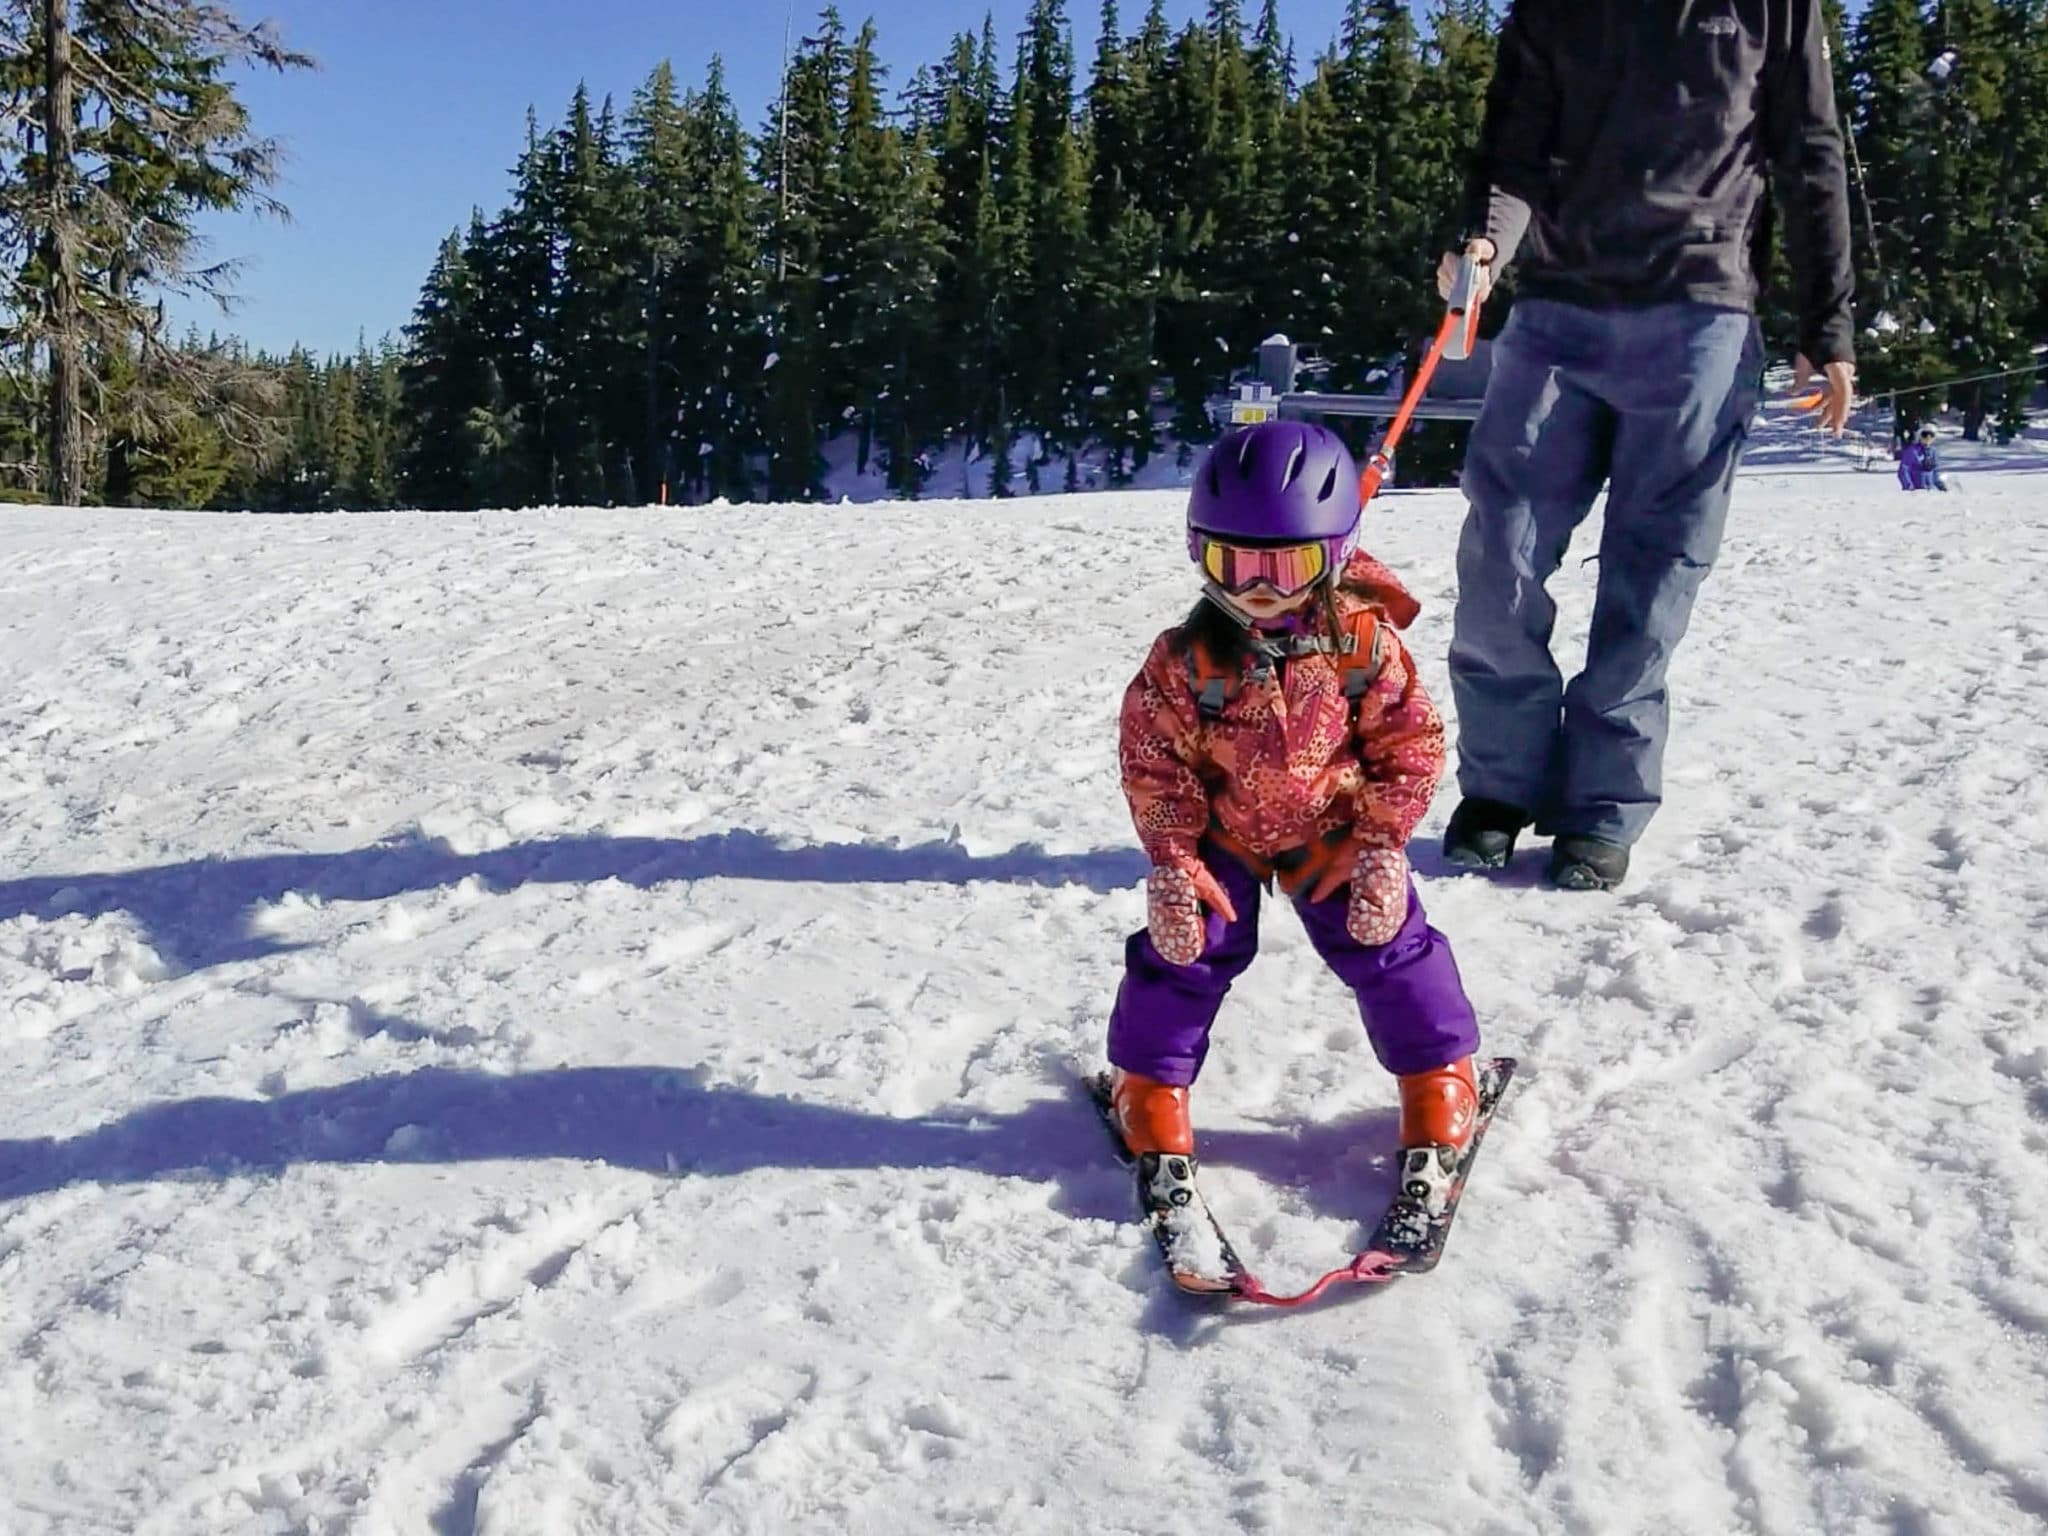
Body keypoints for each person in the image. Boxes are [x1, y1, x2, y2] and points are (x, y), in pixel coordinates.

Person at [1435, 0, 1857, 891]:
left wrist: (1829, 325)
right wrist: (1484, 243)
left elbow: (1809, 153)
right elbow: (1509, 154)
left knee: (1654, 572)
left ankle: (1603, 806)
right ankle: (1500, 788)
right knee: (1499, 552)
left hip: (1702, 312)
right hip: (1557, 306)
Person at [1106, 420, 1482, 1218]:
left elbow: (1410, 742)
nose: (1260, 589)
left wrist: (1382, 838)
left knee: (1390, 942)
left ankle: (1439, 1075)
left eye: (1289, 566)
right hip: (1226, 834)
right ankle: (1149, 1086)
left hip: (1331, 830)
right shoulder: (1186, 659)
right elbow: (1154, 759)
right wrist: (1175, 855)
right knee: (1187, 947)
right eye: (1233, 564)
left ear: (1335, 553)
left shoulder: (1362, 647)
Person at [1898, 426, 1948, 491]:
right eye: (1925, 435)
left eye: (1931, 435)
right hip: (1915, 490)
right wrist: (1908, 486)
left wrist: (1940, 485)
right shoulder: (1912, 451)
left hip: (1930, 490)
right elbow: (1904, 469)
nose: (1928, 437)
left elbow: (1935, 471)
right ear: (1920, 436)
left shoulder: (1933, 452)